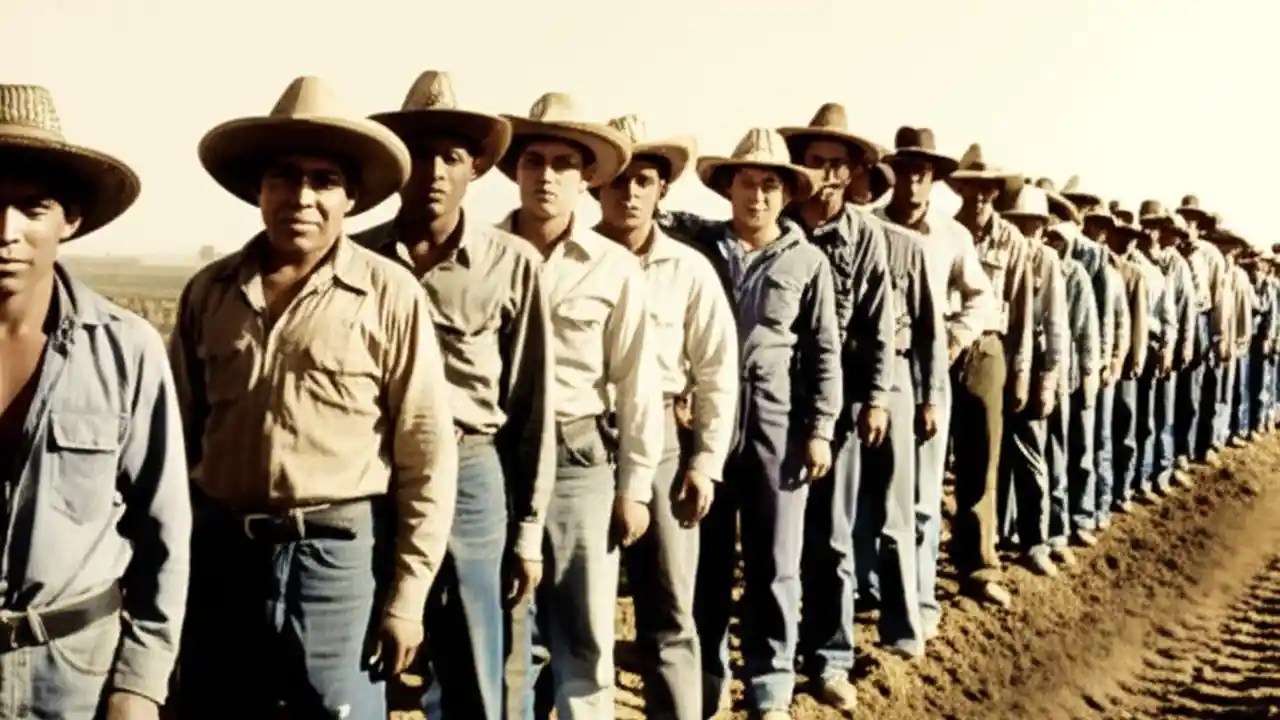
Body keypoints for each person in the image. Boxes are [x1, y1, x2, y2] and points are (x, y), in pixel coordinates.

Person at [171, 76, 459, 719]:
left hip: (337, 561)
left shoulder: (390, 294)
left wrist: (406, 598)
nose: (302, 197)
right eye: (284, 177)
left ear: (351, 197)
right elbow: (176, 446)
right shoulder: (209, 293)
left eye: (324, 180)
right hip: (224, 557)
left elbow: (426, 456)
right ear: (259, 190)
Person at [357, 70, 554, 720]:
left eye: (452, 156)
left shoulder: (511, 262)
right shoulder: (357, 258)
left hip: (472, 469)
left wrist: (526, 530)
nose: (434, 171)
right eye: (418, 153)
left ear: (476, 168)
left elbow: (530, 408)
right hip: (372, 472)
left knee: (475, 653)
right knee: (367, 650)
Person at [0, 83, 190, 720]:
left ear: (69, 219)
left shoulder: (126, 350)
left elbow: (165, 528)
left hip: (77, 672)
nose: (8, 231)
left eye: (33, 207)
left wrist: (140, 684)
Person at [495, 92, 665, 720]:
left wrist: (636, 485)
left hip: (578, 456)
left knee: (583, 633)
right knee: (500, 627)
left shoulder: (613, 267)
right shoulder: (482, 255)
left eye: (564, 163)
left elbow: (636, 381)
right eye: (533, 160)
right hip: (496, 458)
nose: (546, 176)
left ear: (586, 178)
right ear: (515, 170)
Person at [672, 127, 840, 719]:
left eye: (771, 185)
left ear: (788, 194)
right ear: (729, 188)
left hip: (777, 425)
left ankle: (770, 685)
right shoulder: (697, 249)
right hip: (708, 424)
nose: (758, 197)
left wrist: (819, 428)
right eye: (748, 183)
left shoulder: (807, 261)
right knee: (708, 563)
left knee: (774, 564)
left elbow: (823, 351)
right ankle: (708, 682)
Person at [593, 114, 739, 720]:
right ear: (597, 186)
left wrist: (704, 463)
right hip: (586, 442)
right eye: (619, 179)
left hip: (661, 444)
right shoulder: (575, 260)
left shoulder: (689, 269)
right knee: (577, 611)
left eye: (644, 180)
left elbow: (716, 370)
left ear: (661, 191)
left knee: (669, 610)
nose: (630, 192)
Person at [774, 103, 895, 711]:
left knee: (831, 539)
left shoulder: (866, 238)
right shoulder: (777, 224)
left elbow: (879, 328)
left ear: (850, 175)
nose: (822, 174)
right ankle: (768, 654)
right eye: (812, 161)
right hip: (769, 401)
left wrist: (875, 397)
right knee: (772, 540)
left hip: (836, 407)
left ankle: (829, 657)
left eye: (834, 165)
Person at [876, 130, 1005, 614]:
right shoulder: (869, 226)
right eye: (906, 170)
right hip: (878, 368)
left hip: (929, 369)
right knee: (879, 488)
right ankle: (878, 589)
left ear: (933, 180)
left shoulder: (952, 237)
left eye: (922, 174)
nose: (912, 182)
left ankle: (923, 598)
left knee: (926, 492)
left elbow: (980, 296)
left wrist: (954, 336)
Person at [998, 185, 1070, 575]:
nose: (1026, 233)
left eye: (1032, 226)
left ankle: (1035, 539)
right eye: (1018, 225)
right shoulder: (1001, 253)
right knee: (993, 456)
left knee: (1030, 457)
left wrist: (1048, 378)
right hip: (996, 361)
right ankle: (996, 533)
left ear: (1043, 228)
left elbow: (1056, 324)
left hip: (1035, 361)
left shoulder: (1048, 262)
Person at [1043, 222, 1101, 546]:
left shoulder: (1074, 274)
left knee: (1066, 452)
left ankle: (1064, 524)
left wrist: (1089, 373)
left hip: (1067, 376)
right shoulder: (1034, 262)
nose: (1052, 242)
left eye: (1058, 238)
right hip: (1037, 373)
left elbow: (1086, 329)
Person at [1137, 201, 1196, 495]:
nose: (1151, 231)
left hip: (1167, 344)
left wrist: (1182, 345)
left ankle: (1162, 469)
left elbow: (1185, 310)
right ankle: (1144, 474)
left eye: (1156, 226)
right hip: (1143, 345)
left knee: (1165, 412)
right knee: (1143, 413)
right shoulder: (1139, 258)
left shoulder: (1177, 265)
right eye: (1146, 225)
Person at [1173, 195, 1229, 469]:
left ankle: (1200, 445)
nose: (1187, 228)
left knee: (1202, 386)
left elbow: (1219, 297)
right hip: (1179, 321)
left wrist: (1218, 335)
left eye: (1192, 222)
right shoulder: (1174, 254)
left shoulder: (1211, 255)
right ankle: (1179, 447)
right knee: (1181, 389)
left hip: (1203, 321)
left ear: (1200, 227)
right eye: (1183, 220)